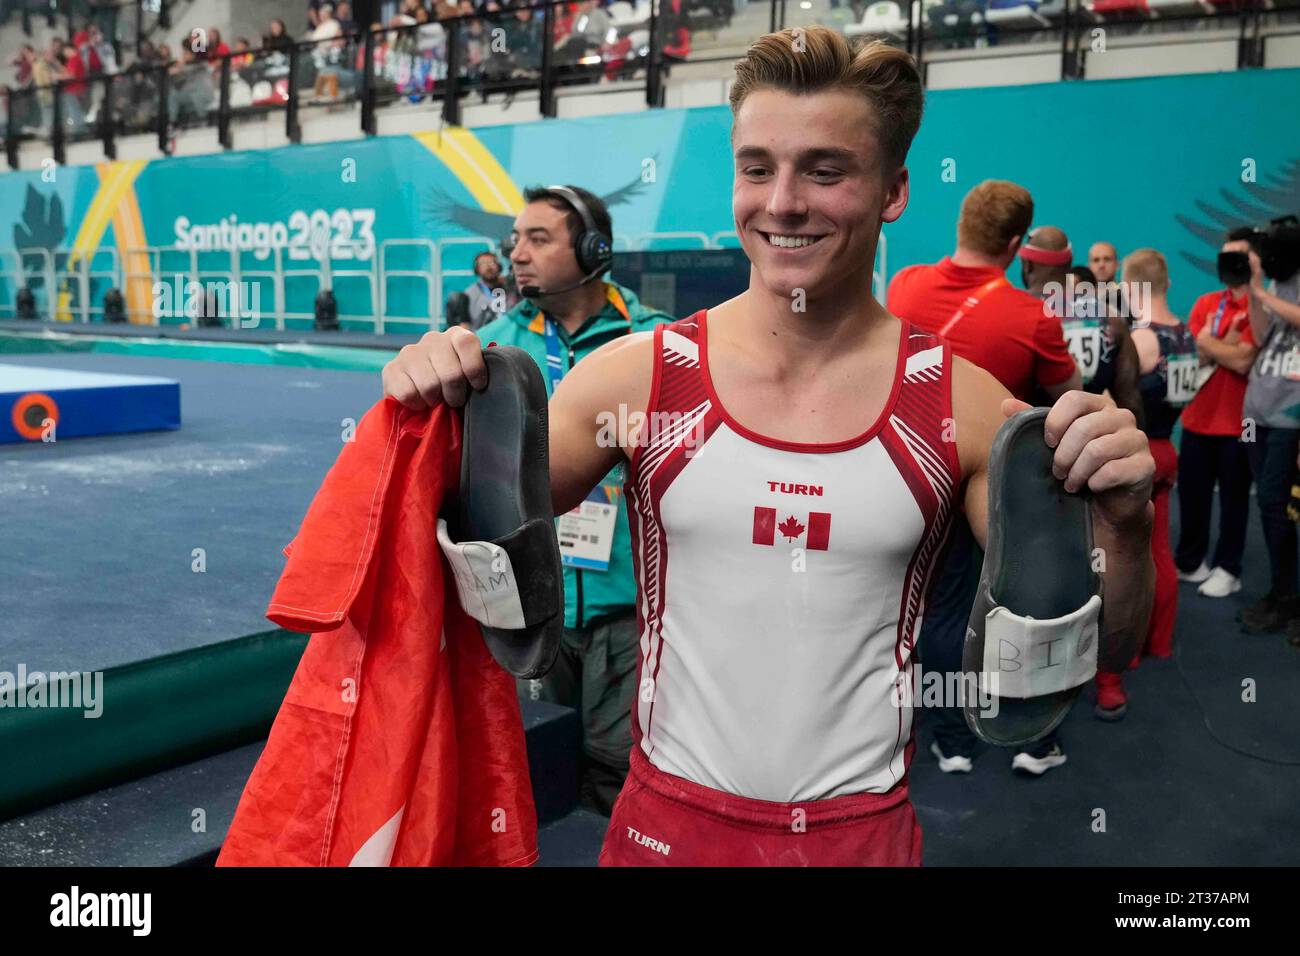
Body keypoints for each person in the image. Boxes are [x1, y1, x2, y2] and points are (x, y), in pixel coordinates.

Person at [381, 29, 1155, 866]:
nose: (782, 201)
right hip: (660, 830)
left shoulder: (965, 407)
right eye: (757, 167)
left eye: (825, 170)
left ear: (895, 190)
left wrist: (1123, 525)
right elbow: (468, 548)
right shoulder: (633, 379)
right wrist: (436, 401)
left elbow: (1095, 652)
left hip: (860, 839)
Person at [470, 186, 672, 815]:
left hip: (624, 605)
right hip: (528, 602)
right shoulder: (494, 348)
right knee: (536, 764)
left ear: (593, 249)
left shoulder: (658, 344)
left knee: (622, 766)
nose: (516, 254)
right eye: (515, 240)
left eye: (538, 239)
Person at [888, 187, 1082, 777]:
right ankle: (1030, 739)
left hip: (909, 476)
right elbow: (1070, 390)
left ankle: (951, 742)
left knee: (937, 613)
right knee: (1024, 605)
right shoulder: (1032, 316)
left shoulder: (904, 286)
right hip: (997, 489)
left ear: (962, 224)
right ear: (1017, 244)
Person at [1094, 248, 1197, 719]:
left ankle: (1122, 657)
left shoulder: (1141, 339)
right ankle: (1158, 642)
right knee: (1160, 550)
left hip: (1140, 454)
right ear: (1169, 282)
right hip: (1168, 448)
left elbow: (1112, 401)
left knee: (1123, 557)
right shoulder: (1186, 334)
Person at [1175, 229, 1259, 599]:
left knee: (1235, 499)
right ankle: (1191, 562)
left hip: (1242, 424)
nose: (1231, 264)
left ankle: (1229, 568)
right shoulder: (1206, 301)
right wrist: (1220, 344)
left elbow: (1243, 361)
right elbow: (1194, 352)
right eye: (1225, 256)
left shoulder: (1261, 308)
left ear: (1254, 261)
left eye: (1239, 256)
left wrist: (1212, 344)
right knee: (1192, 496)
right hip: (1197, 420)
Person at [1235, 231, 1300, 636]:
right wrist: (1255, 291)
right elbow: (1260, 336)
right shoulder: (1274, 285)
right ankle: (1283, 592)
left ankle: (1288, 596)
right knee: (1269, 504)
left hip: (1290, 415)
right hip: (1258, 411)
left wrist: (1260, 289)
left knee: (1278, 503)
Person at [1019, 226, 1142, 422]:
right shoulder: (1111, 318)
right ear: (1068, 264)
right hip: (1088, 442)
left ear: (1028, 265)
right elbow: (1131, 404)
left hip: (1027, 440)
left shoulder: (1017, 314)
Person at [461, 251, 514, 330]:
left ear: (499, 267)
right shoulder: (469, 294)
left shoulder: (511, 289)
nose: (488, 267)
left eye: (492, 263)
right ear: (477, 269)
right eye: (483, 264)